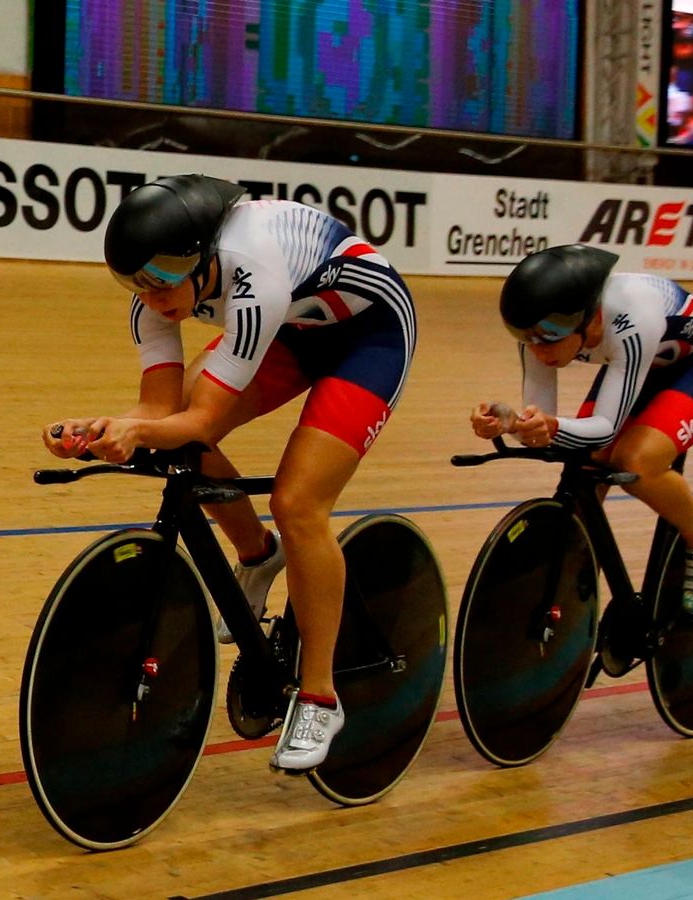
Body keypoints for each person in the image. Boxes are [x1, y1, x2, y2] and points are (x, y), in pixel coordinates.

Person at [43, 174, 418, 771]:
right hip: (294, 329)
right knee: (174, 444)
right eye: (135, 281)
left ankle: (320, 697)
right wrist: (99, 430)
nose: (152, 294)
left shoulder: (253, 270)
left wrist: (139, 432)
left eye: (166, 276)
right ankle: (256, 554)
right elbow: (157, 412)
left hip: (368, 338)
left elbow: (200, 419)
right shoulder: (154, 295)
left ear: (203, 257)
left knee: (299, 503)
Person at [471, 243, 693, 612]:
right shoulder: (541, 331)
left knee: (636, 463)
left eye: (551, 338)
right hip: (638, 365)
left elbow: (604, 430)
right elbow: (542, 427)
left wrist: (546, 426)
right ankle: (577, 577)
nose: (538, 351)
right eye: (526, 338)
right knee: (585, 468)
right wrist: (508, 422)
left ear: (591, 319)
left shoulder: (632, 319)